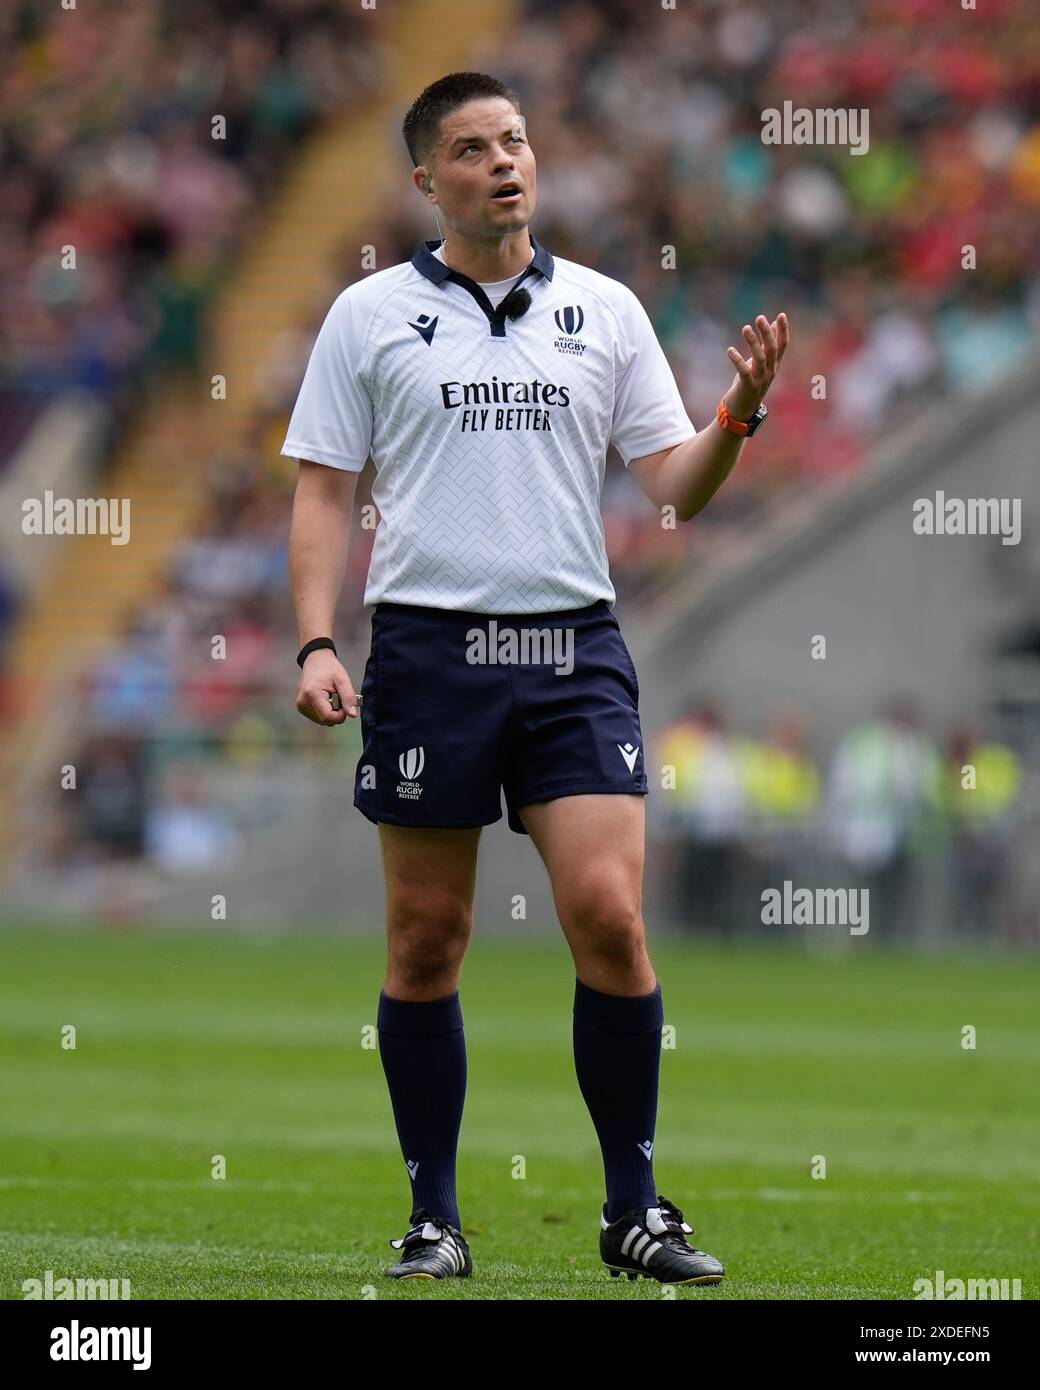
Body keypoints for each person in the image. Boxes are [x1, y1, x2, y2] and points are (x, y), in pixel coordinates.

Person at [281, 71, 788, 1286]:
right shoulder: (367, 317)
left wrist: (736, 419)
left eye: (514, 140)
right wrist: (311, 639)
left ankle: (635, 1211)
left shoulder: (606, 312)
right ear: (426, 178)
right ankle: (434, 1220)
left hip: (569, 650)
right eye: (471, 148)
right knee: (425, 941)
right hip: (425, 650)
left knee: (609, 919)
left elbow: (670, 486)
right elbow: (320, 490)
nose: (503, 161)